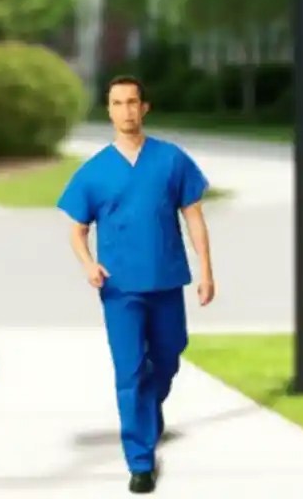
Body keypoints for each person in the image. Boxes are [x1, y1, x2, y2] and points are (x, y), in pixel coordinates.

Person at [55, 75, 215, 495]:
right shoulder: (94, 172)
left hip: (166, 280)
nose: (125, 110)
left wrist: (207, 270)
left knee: (168, 356)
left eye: (132, 102)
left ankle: (148, 408)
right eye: (116, 103)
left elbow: (194, 217)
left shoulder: (171, 160)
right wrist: (88, 265)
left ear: (144, 108)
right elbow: (76, 230)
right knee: (129, 372)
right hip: (119, 288)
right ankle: (140, 462)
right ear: (108, 110)